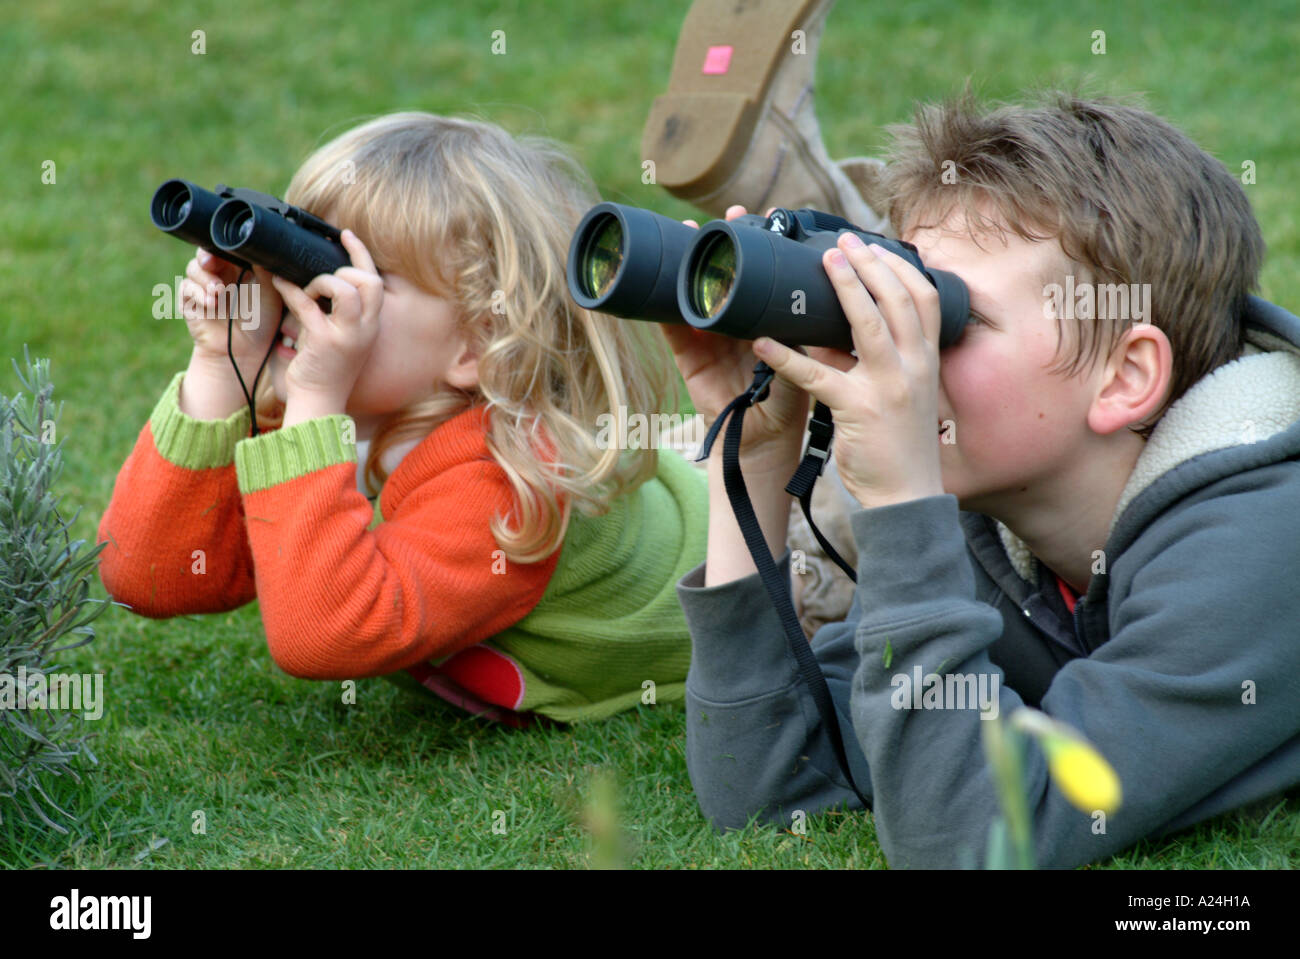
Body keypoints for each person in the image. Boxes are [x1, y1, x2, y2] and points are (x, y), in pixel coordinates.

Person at [667, 90, 1300, 867]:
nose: (897, 352)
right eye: (892, 299)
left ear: (1124, 376)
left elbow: (965, 842)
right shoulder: (980, 519)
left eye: (947, 318)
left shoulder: (1264, 543)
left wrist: (903, 503)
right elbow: (772, 786)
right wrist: (756, 457)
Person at [98, 113, 709, 726]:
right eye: (304, 253)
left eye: (364, 277)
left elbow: (325, 635)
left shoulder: (505, 483)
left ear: (476, 343)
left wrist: (312, 398)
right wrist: (220, 370)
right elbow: (148, 576)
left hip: (749, 557)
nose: (303, 291)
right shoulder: (343, 408)